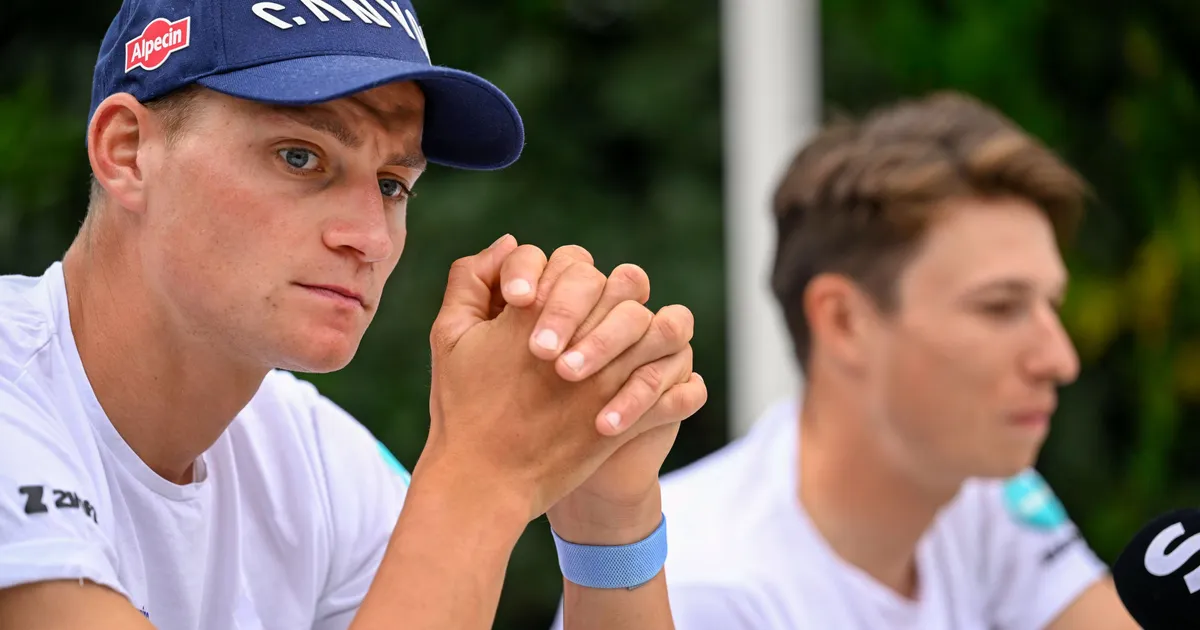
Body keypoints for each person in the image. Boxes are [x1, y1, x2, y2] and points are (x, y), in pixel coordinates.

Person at [0, 0, 707, 629]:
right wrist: (480, 477)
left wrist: (610, 523)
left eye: (395, 185)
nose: (369, 238)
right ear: (127, 152)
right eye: (302, 156)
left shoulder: (316, 458)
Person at [653, 93, 1141, 629]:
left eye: (1051, 306)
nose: (1060, 360)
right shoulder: (698, 596)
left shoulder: (983, 489)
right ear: (843, 321)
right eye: (1000, 307)